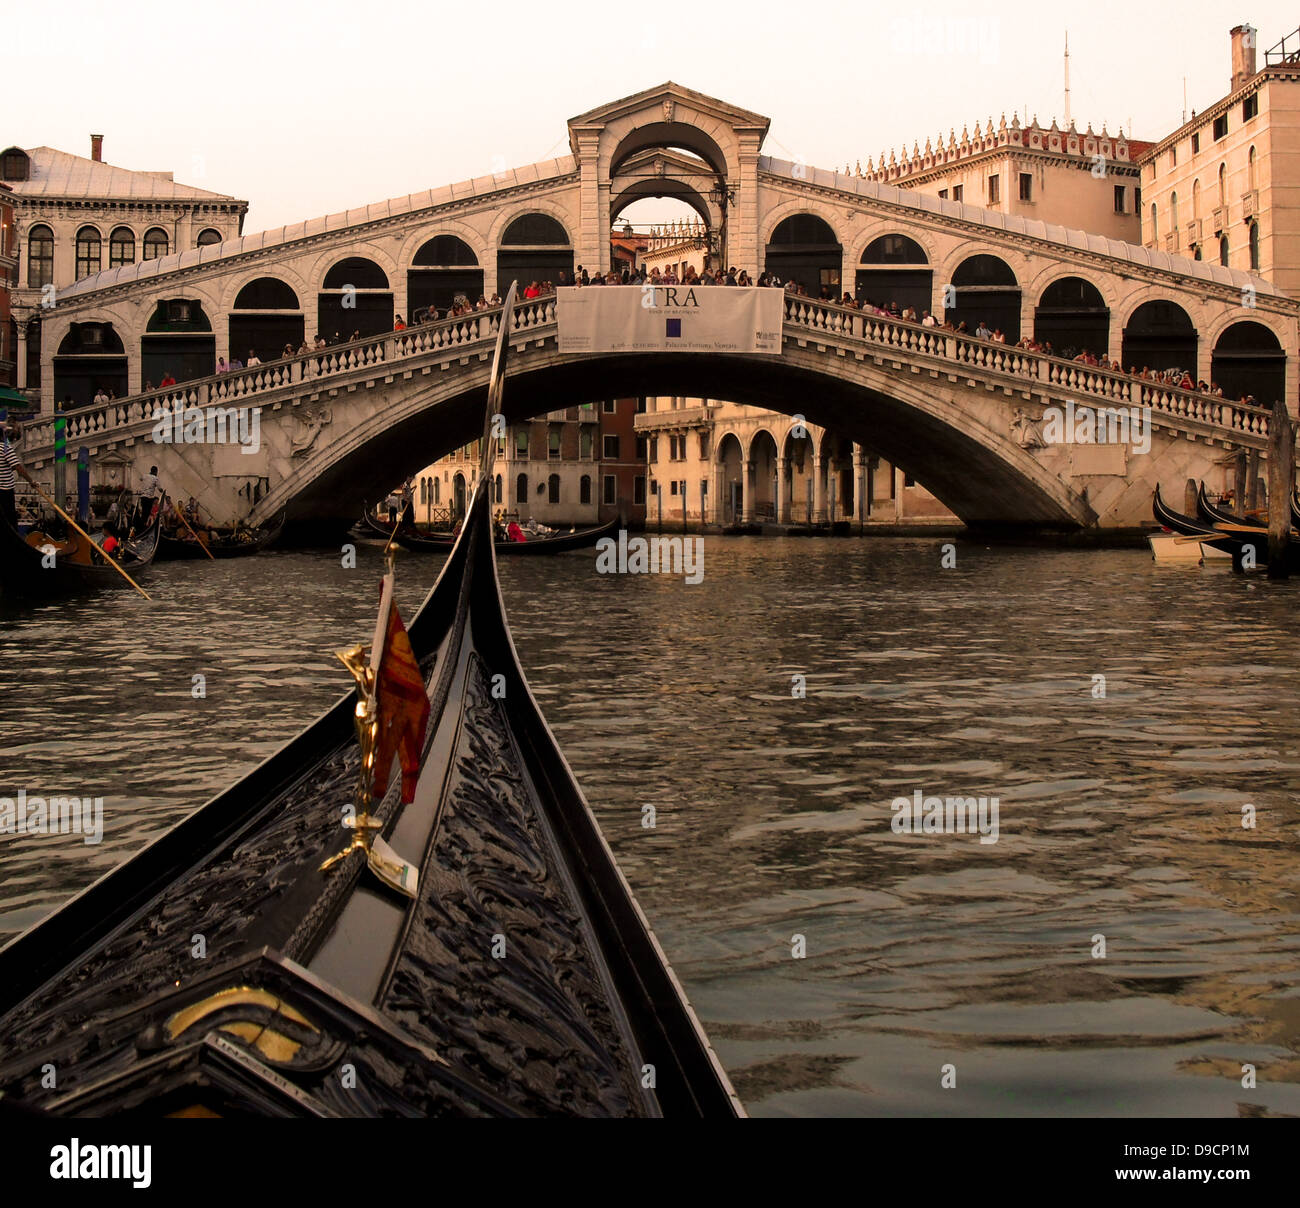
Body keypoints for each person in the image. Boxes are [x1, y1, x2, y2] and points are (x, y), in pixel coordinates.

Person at [0, 418, 34, 529]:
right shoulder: (5, 449)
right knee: (10, 521)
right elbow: (18, 467)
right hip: (5, 491)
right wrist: (31, 481)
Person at [136, 465, 160, 529]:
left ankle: (142, 525)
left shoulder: (144, 476)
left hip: (143, 497)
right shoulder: (155, 478)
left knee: (144, 512)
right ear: (155, 471)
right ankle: (144, 526)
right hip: (149, 498)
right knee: (147, 512)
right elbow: (160, 488)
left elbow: (140, 478)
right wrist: (162, 490)